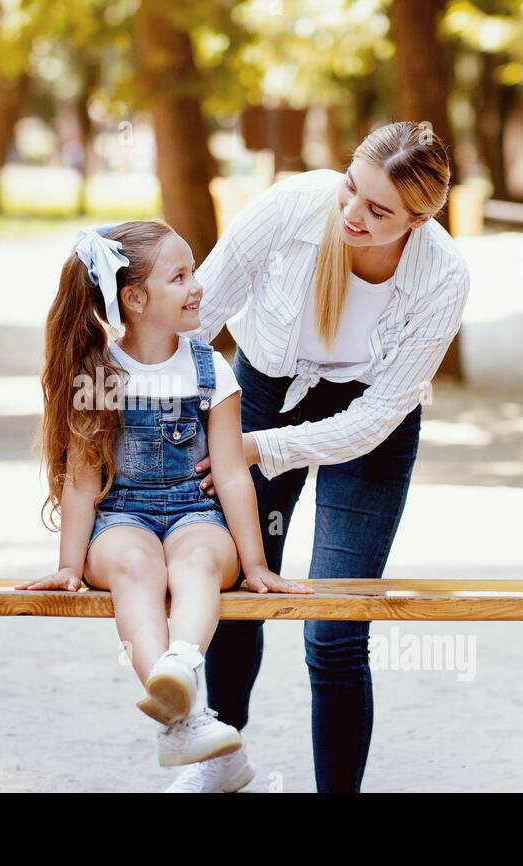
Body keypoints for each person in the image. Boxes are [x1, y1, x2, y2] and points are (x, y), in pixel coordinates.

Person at [167, 121, 471, 792]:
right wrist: (156, 411)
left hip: (370, 426)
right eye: (351, 190)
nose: (353, 214)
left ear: (419, 220)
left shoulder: (443, 275)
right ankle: (221, 760)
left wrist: (257, 449)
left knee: (333, 626)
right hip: (267, 387)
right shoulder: (291, 205)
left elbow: (370, 421)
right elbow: (200, 311)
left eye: (379, 209)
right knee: (237, 583)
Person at [17, 220, 311, 775]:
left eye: (193, 271)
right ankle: (185, 722)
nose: (197, 285)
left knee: (196, 560)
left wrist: (254, 564)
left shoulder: (210, 369)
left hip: (195, 515)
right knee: (134, 566)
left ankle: (180, 662)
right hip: (121, 516)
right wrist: (67, 564)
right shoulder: (100, 373)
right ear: (134, 298)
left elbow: (230, 476)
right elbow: (82, 479)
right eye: (180, 276)